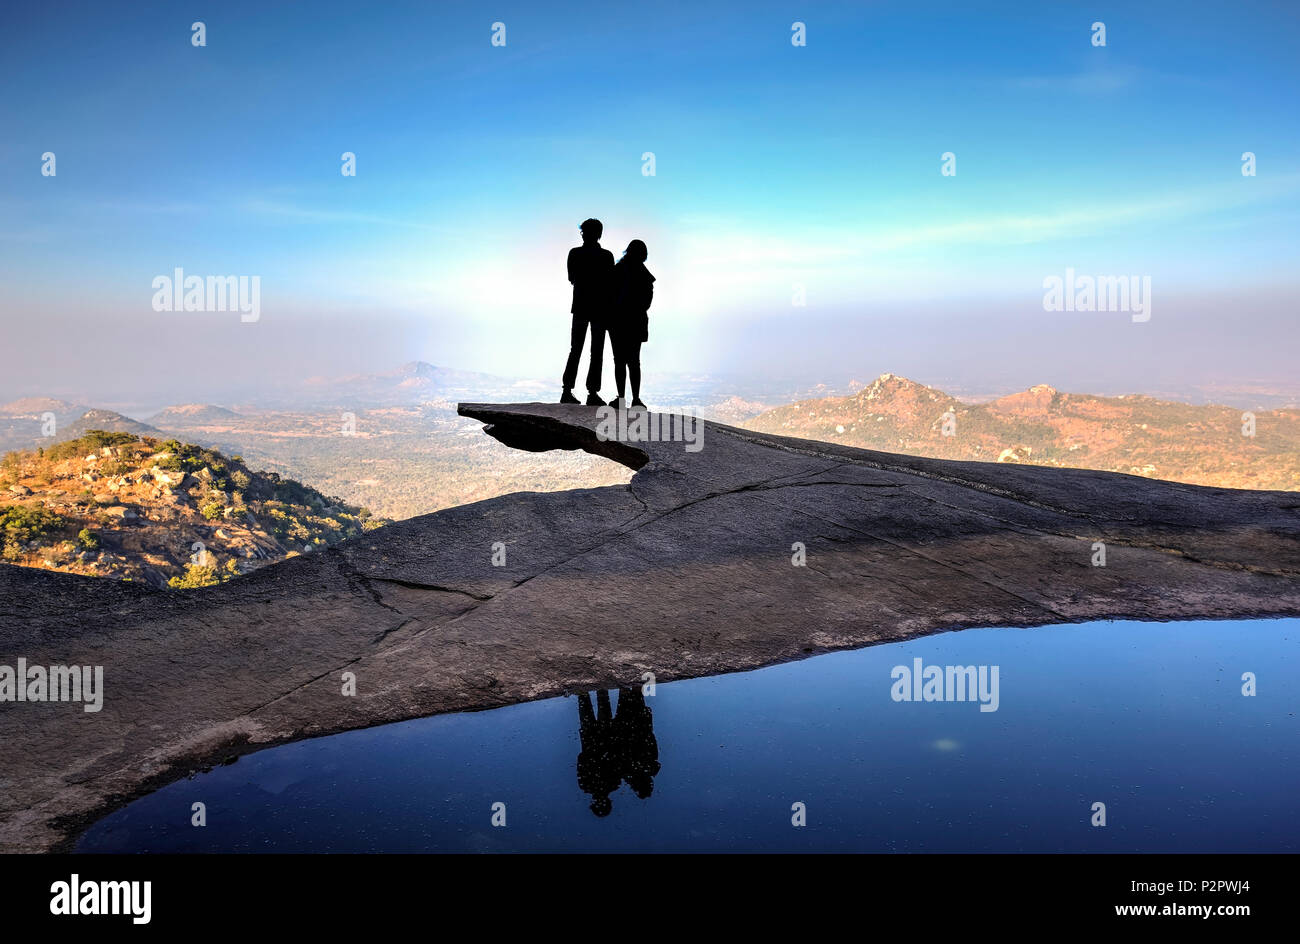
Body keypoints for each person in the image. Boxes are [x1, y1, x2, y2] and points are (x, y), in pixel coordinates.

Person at [560, 218, 615, 405]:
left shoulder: (574, 254)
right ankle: (592, 393)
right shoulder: (607, 257)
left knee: (575, 349)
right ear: (599, 234)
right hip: (600, 308)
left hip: (581, 307)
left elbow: (571, 278)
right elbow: (611, 284)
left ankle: (567, 390)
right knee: (596, 351)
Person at [607, 239, 654, 409]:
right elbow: (647, 303)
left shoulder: (618, 270)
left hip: (617, 321)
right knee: (634, 361)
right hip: (636, 321)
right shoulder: (645, 275)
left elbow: (609, 296)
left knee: (619, 360)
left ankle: (620, 398)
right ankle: (636, 399)